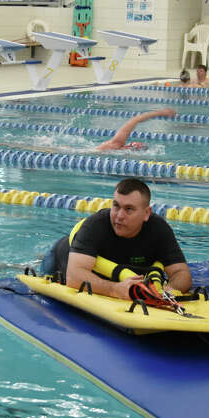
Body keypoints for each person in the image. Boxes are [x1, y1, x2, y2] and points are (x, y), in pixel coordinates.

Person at [41, 178, 192, 298]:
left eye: (129, 209)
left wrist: (167, 292)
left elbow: (182, 274)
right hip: (59, 260)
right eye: (116, 206)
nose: (119, 216)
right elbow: (74, 277)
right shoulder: (96, 225)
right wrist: (115, 289)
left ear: (146, 213)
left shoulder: (158, 229)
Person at [96, 107, 176, 151]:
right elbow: (134, 120)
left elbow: (134, 120)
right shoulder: (116, 143)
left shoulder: (117, 145)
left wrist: (160, 113)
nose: (139, 144)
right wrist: (159, 113)